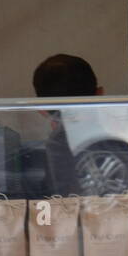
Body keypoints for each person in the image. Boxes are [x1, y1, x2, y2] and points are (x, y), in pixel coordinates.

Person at [30, 53, 92, 196]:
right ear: (100, 93)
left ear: (41, 109)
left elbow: (63, 197)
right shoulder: (120, 133)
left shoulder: (57, 142)